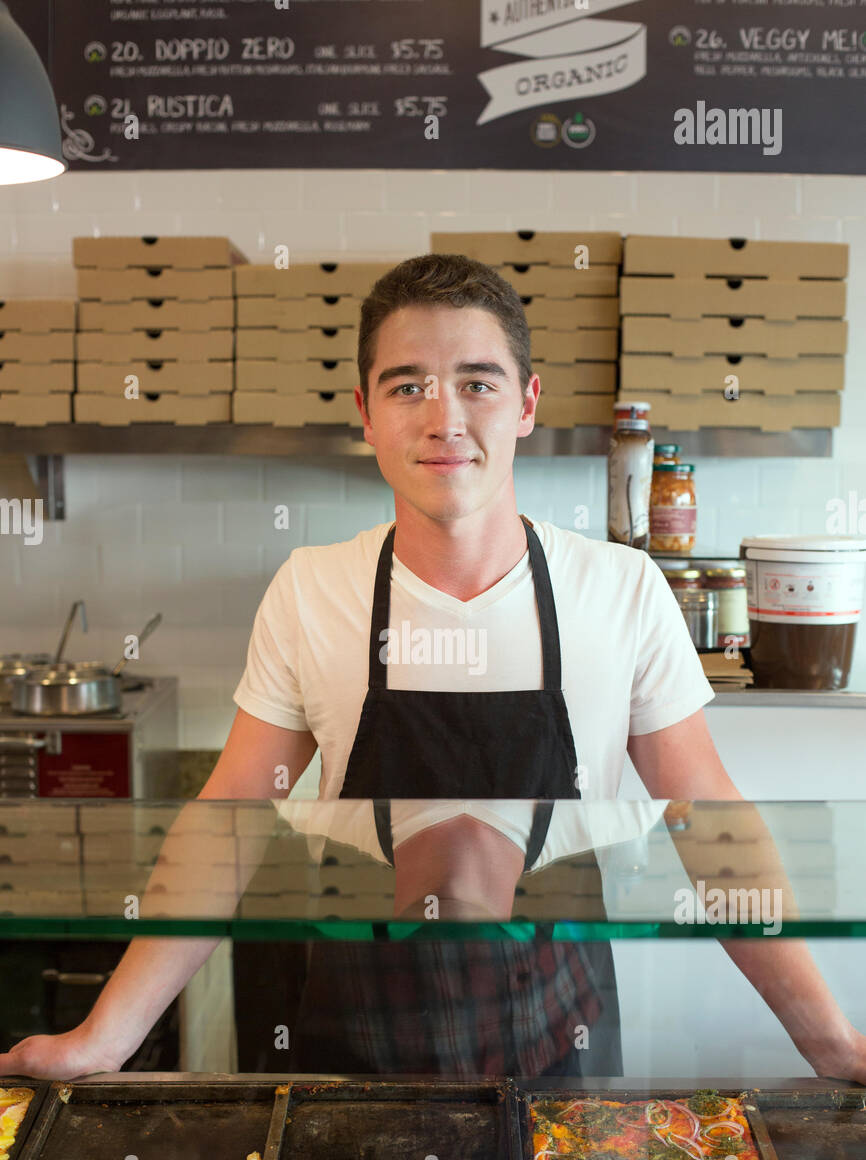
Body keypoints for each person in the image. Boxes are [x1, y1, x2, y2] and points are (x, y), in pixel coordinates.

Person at [2, 253, 863, 1081]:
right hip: (356, 1031)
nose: (443, 417)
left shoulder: (621, 588)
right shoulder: (312, 591)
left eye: (476, 383)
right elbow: (230, 819)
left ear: (526, 403)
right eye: (407, 385)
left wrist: (829, 1041)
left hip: (560, 1027)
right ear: (365, 412)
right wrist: (103, 1038)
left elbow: (712, 826)